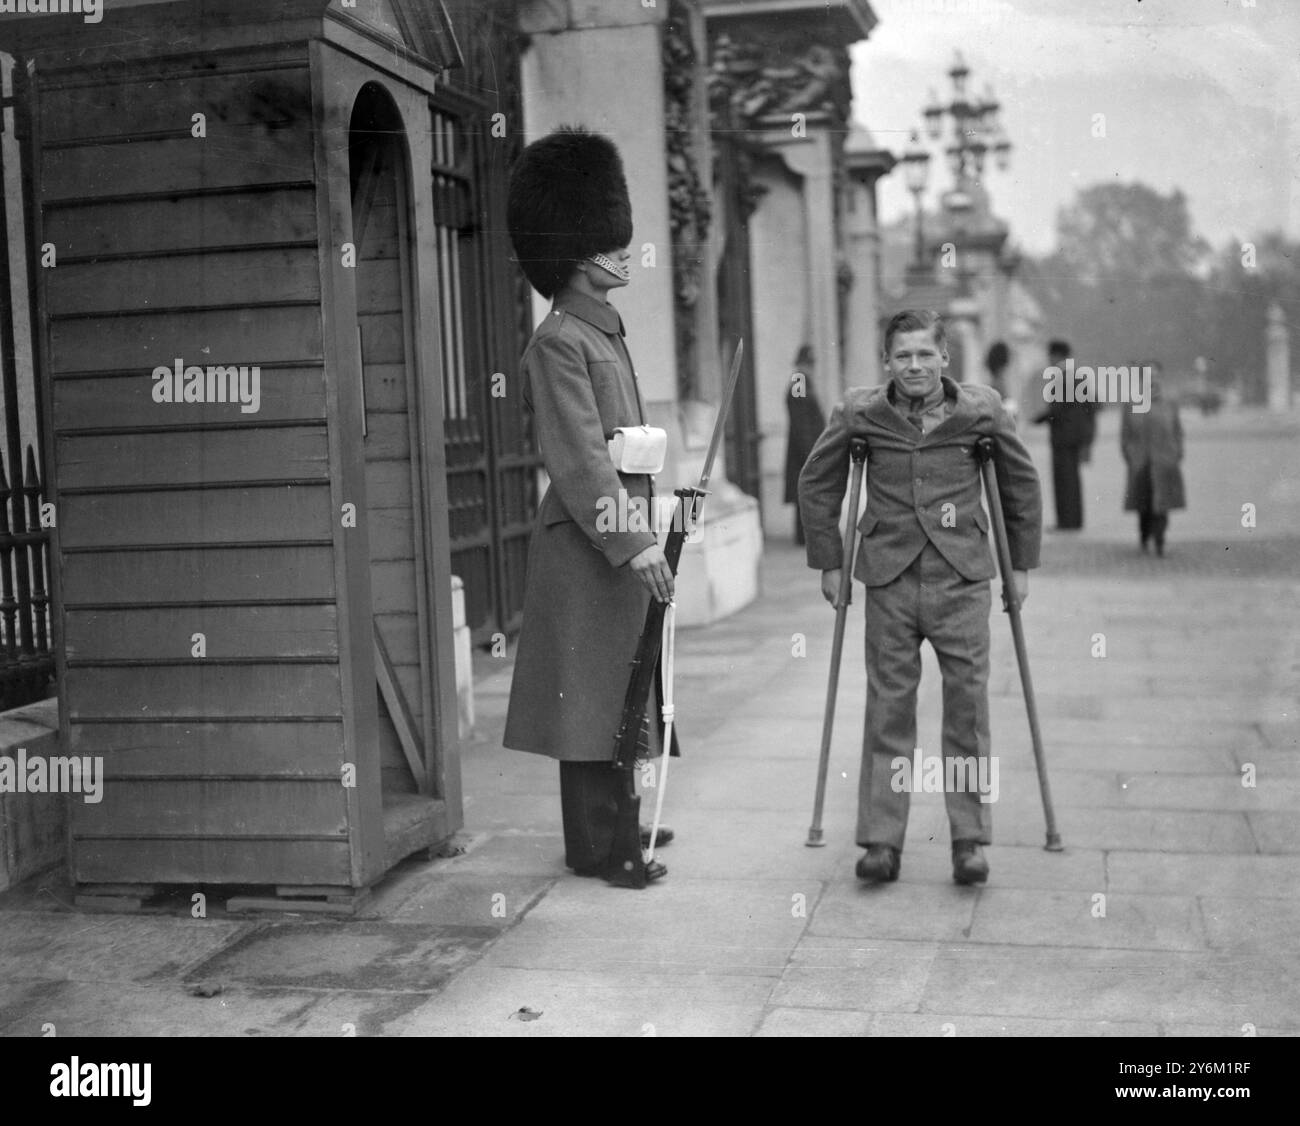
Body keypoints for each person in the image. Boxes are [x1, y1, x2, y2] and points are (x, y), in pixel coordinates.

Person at [798, 309, 1042, 886]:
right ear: (887, 361)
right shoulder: (860, 412)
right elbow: (817, 481)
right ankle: (882, 842)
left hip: (962, 579)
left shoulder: (981, 410)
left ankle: (969, 840)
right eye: (903, 355)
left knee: (967, 709)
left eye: (925, 354)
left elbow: (1021, 484)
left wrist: (1020, 567)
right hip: (889, 578)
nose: (914, 366)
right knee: (889, 710)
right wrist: (830, 561)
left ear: (945, 358)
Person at [502, 126, 675, 888]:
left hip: (617, 534)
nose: (623, 251)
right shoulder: (559, 342)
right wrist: (634, 542)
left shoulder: (604, 332)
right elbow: (579, 460)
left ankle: (621, 818)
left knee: (625, 686)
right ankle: (600, 844)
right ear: (577, 251)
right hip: (588, 543)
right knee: (590, 695)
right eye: (608, 241)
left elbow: (622, 447)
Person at [1121, 360, 1185, 557]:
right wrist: (1131, 456)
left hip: (1164, 460)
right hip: (1141, 461)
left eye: (1156, 375)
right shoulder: (1132, 402)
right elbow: (1125, 434)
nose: (1153, 379)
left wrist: (1176, 453)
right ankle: (1144, 535)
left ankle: (1160, 540)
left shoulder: (1170, 402)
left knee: (1162, 504)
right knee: (1144, 503)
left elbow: (1177, 430)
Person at [1033, 339, 1095, 530]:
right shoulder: (1077, 374)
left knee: (1063, 481)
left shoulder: (1061, 376)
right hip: (1074, 436)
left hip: (1062, 437)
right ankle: (1074, 521)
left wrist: (1038, 419)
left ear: (1056, 355)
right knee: (1073, 481)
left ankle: (1066, 522)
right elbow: (1091, 406)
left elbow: (1057, 409)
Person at [784, 345, 827, 546]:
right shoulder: (800, 380)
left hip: (807, 446)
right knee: (805, 491)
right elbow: (800, 418)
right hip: (804, 449)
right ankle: (805, 537)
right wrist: (810, 449)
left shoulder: (803, 381)